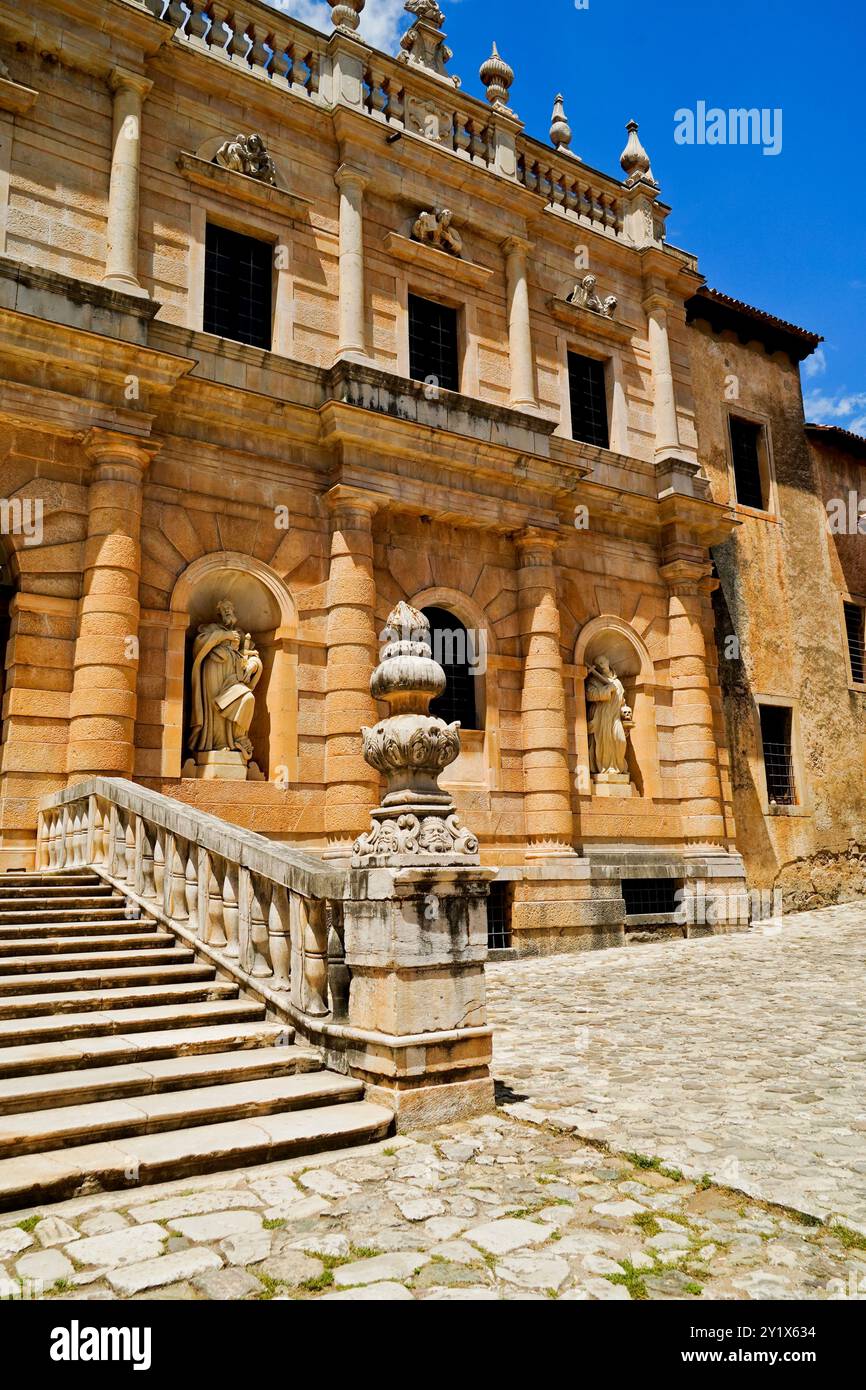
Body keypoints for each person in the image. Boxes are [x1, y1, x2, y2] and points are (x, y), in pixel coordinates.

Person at [188, 599, 262, 762]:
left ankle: (238, 738)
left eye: (229, 608)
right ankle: (218, 744)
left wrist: (253, 665)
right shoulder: (210, 629)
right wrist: (224, 635)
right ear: (218, 613)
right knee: (216, 709)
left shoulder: (241, 634)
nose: (227, 611)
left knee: (247, 698)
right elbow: (199, 645)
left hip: (233, 677)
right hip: (214, 671)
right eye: (224, 609)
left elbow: (251, 655)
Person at [586, 656, 632, 774]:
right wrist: (607, 690)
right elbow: (590, 695)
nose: (601, 665)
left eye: (602, 662)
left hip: (615, 716)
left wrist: (624, 709)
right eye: (598, 664)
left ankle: (619, 767)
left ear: (608, 661)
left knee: (620, 741)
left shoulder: (617, 682)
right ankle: (607, 769)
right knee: (605, 743)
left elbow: (621, 700)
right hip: (602, 716)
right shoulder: (594, 680)